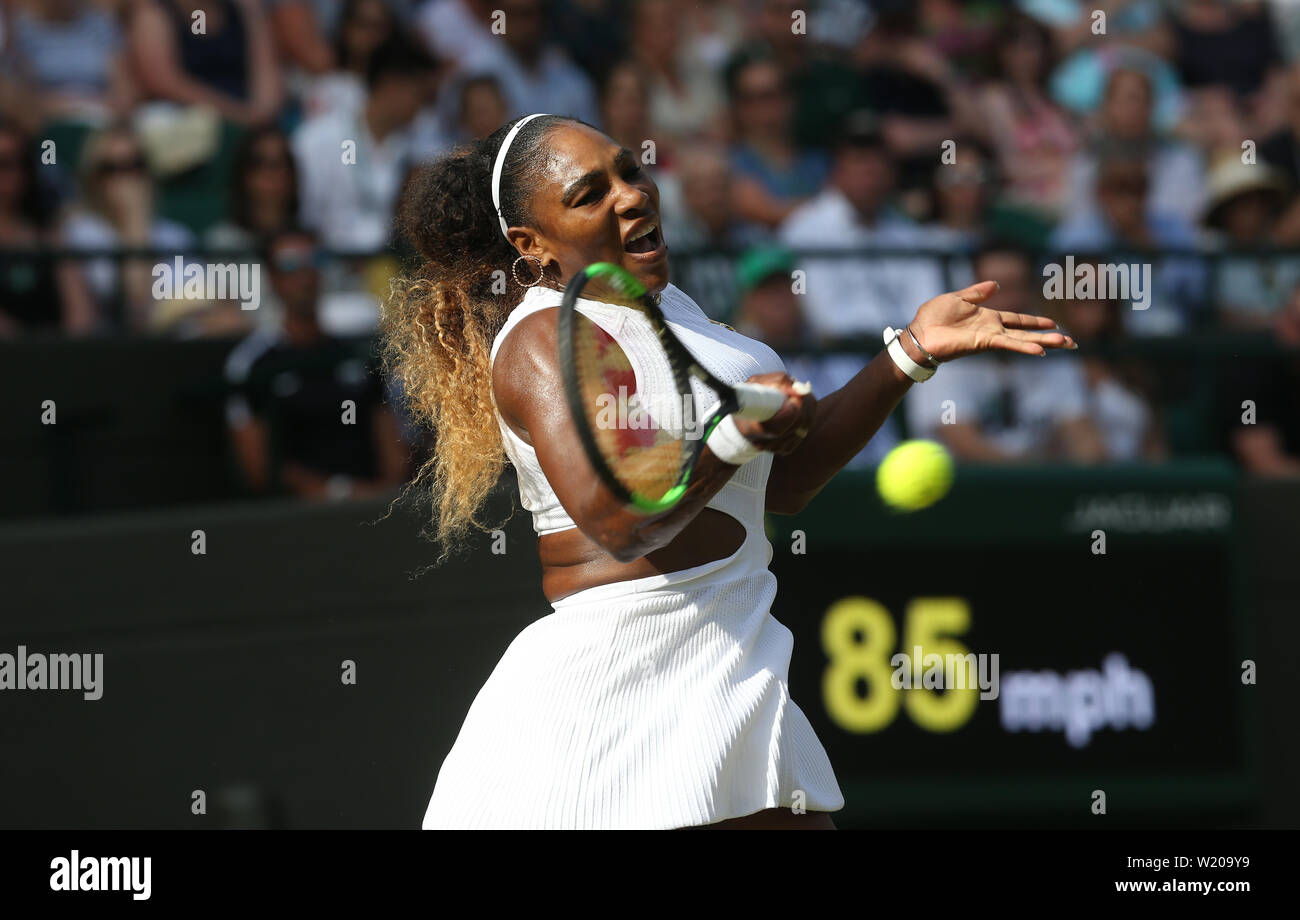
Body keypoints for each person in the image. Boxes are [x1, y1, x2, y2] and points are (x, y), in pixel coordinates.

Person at [380, 113, 1077, 829]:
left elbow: (789, 482)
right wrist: (734, 438)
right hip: (622, 678)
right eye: (589, 194)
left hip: (726, 654)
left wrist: (909, 353)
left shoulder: (675, 310)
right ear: (532, 246)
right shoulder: (543, 338)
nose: (630, 196)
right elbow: (619, 522)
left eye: (630, 171)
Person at [224, 227, 408, 499]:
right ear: (272, 278)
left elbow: (392, 447)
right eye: (290, 265)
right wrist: (340, 493)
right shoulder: (251, 364)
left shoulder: (355, 354)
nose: (305, 276)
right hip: (296, 521)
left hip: (375, 509)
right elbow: (258, 469)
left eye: (315, 261)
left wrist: (386, 495)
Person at [905, 243, 1105, 464]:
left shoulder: (1051, 339)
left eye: (1017, 287)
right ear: (972, 294)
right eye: (996, 291)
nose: (1009, 303)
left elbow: (1078, 428)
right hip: (962, 489)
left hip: (1036, 484)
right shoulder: (944, 348)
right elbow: (962, 441)